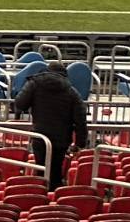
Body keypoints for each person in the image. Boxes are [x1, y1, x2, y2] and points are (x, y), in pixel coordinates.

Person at [9, 60, 88, 190]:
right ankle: (53, 200)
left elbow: (20, 104)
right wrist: (80, 143)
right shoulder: (71, 91)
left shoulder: (34, 84)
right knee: (56, 171)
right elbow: (81, 118)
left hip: (40, 135)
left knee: (41, 168)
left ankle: (40, 198)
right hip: (61, 139)